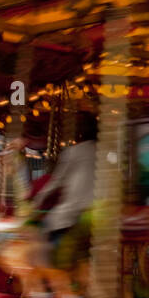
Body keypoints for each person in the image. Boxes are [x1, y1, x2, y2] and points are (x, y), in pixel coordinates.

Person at [31, 114, 98, 265]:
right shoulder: (104, 152)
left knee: (45, 231)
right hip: (98, 209)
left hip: (76, 211)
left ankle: (51, 270)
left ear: (80, 132)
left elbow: (57, 181)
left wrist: (38, 199)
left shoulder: (73, 152)